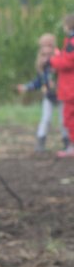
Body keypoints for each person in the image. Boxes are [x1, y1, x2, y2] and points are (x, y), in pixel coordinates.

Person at [16, 33, 69, 152]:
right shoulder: (42, 65)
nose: (46, 55)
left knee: (64, 120)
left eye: (49, 47)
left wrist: (57, 83)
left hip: (61, 95)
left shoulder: (60, 60)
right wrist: (25, 87)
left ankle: (67, 142)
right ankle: (40, 143)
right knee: (46, 119)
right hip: (49, 96)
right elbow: (38, 82)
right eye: (43, 52)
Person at [51, 13, 74, 158]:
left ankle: (72, 147)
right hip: (69, 87)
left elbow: (68, 61)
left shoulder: (72, 42)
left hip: (70, 88)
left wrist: (53, 60)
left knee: (69, 118)